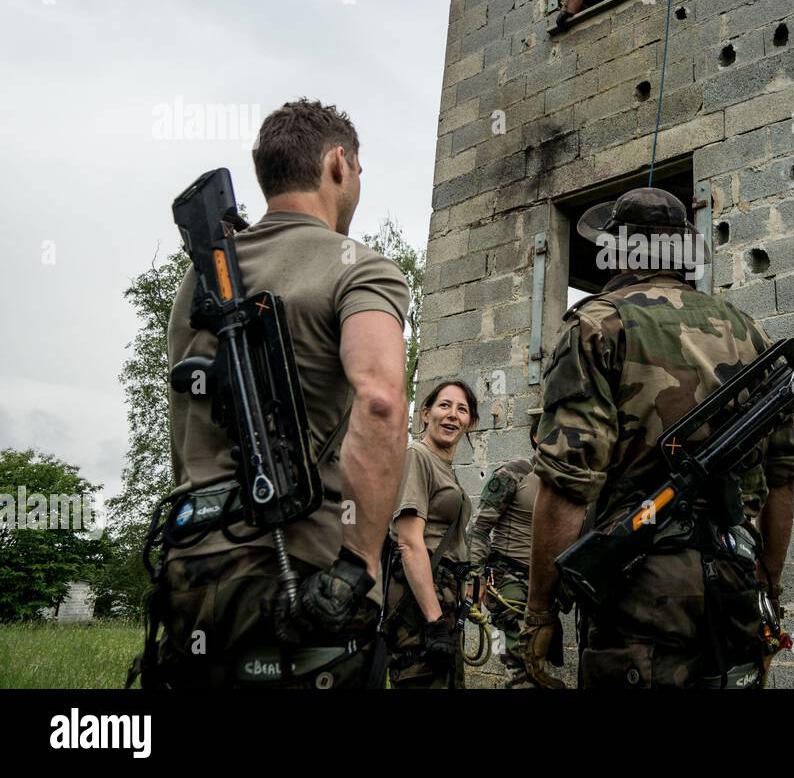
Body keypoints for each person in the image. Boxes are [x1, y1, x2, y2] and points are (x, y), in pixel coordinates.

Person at [149, 98, 410, 688]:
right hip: (298, 576)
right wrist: (360, 562)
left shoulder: (201, 276)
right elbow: (381, 401)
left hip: (191, 566)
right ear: (339, 164)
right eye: (360, 170)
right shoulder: (360, 267)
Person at [519, 187, 794, 689]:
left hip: (638, 589)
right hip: (734, 582)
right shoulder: (750, 331)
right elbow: (784, 473)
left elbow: (568, 481)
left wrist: (540, 612)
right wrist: (767, 579)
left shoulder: (596, 324)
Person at [385, 380, 477, 689]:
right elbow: (409, 542)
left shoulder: (445, 467)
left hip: (444, 595)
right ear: (426, 413)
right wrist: (434, 621)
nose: (452, 415)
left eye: (462, 410)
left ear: (470, 422)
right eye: (444, 405)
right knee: (421, 678)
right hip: (421, 601)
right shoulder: (417, 455)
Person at [466, 412, 541, 688]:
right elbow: (479, 527)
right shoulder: (515, 472)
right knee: (522, 667)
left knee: (537, 663)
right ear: (536, 436)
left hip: (543, 585)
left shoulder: (565, 484)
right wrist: (476, 578)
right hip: (509, 580)